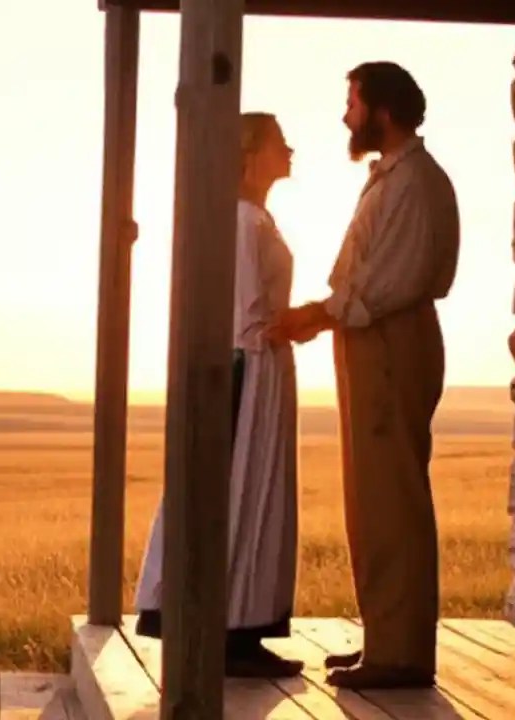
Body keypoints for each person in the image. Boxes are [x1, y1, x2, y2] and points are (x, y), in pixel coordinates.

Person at [267, 61, 459, 690]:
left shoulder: (415, 183)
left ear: (382, 110)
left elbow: (385, 285)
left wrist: (319, 315)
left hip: (389, 342)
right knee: (372, 497)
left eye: (352, 102)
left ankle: (400, 656)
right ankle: (387, 639)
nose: (345, 114)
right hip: (369, 339)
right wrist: (327, 318)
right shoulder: (392, 178)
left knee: (393, 496)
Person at [132, 112, 303, 679]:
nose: (291, 149)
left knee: (255, 494)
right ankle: (227, 628)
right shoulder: (240, 220)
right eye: (281, 142)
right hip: (251, 370)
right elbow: (247, 311)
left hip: (262, 367)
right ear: (250, 154)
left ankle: (242, 624)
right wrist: (281, 331)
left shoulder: (253, 217)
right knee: (238, 491)